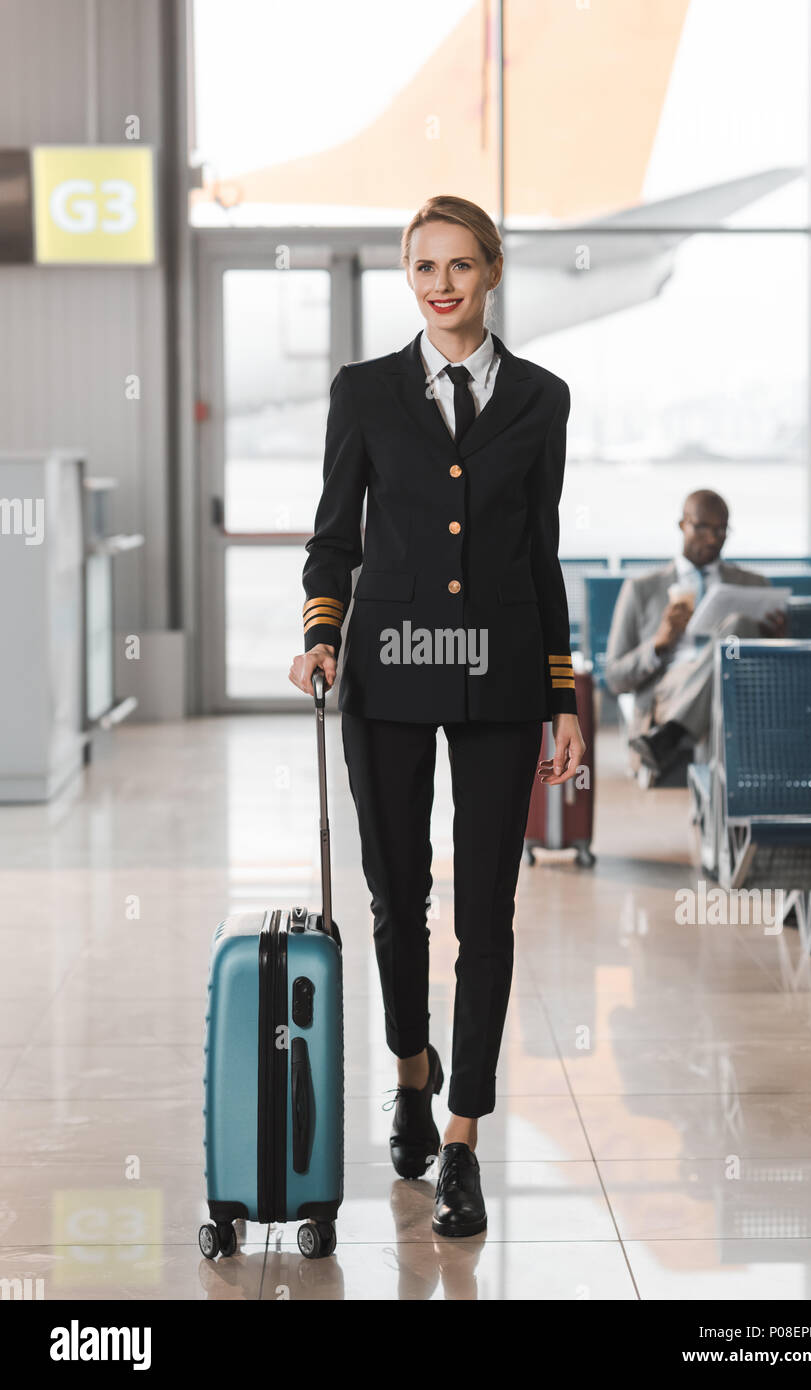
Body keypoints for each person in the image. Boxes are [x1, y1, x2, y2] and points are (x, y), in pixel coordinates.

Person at [289, 195, 585, 1238]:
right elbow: (334, 537)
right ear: (409, 277)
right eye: (425, 267)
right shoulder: (365, 392)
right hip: (391, 673)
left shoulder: (542, 399)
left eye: (461, 265)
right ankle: (411, 1071)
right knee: (396, 897)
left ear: (491, 271)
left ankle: (460, 1135)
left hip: (503, 677)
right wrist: (323, 628)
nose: (443, 284)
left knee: (487, 913)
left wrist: (562, 693)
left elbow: (540, 554)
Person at [605, 490, 787, 776]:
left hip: (737, 687)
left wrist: (775, 641)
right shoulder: (642, 589)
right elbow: (614, 678)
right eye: (703, 527)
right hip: (669, 690)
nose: (714, 538)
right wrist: (658, 644)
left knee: (735, 635)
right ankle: (730, 802)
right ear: (683, 525)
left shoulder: (754, 584)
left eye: (721, 529)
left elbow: (775, 664)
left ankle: (674, 733)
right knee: (724, 692)